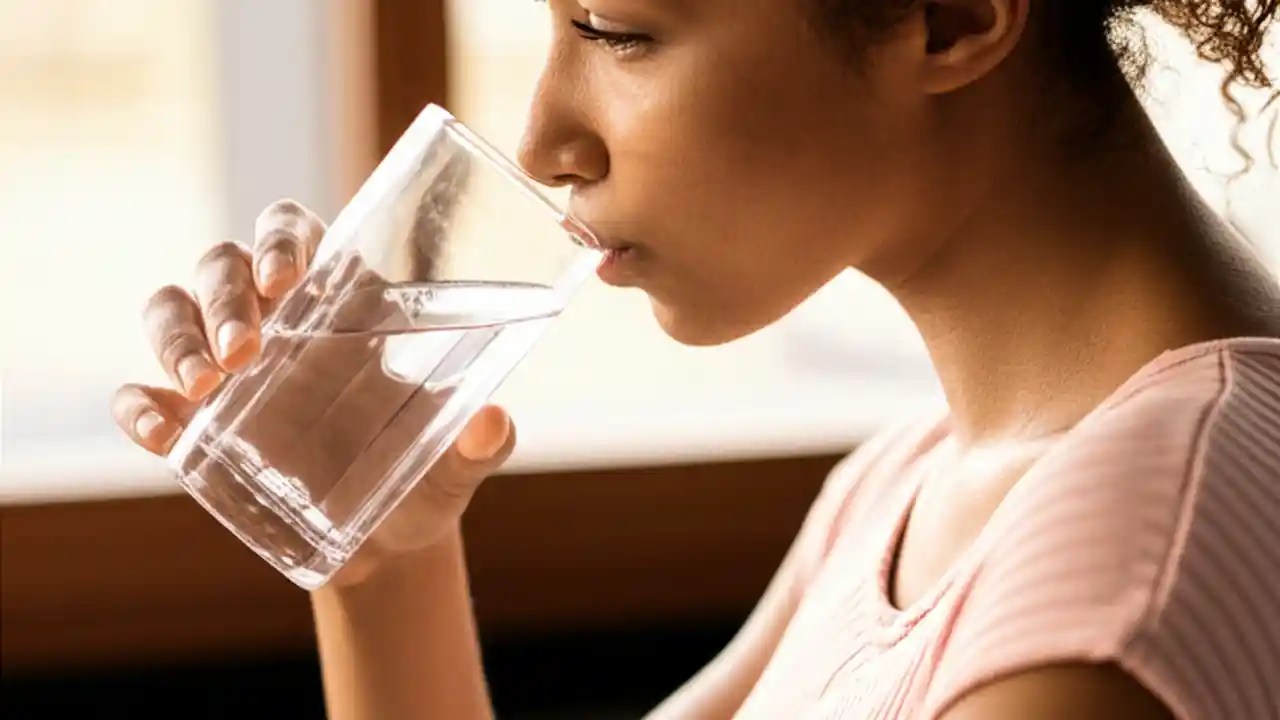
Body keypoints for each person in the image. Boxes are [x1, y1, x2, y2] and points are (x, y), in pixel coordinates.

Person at [111, 0, 1280, 717]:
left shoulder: (1115, 578)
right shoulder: (911, 487)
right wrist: (383, 564)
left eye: (616, 34)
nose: (542, 140)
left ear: (952, 15)